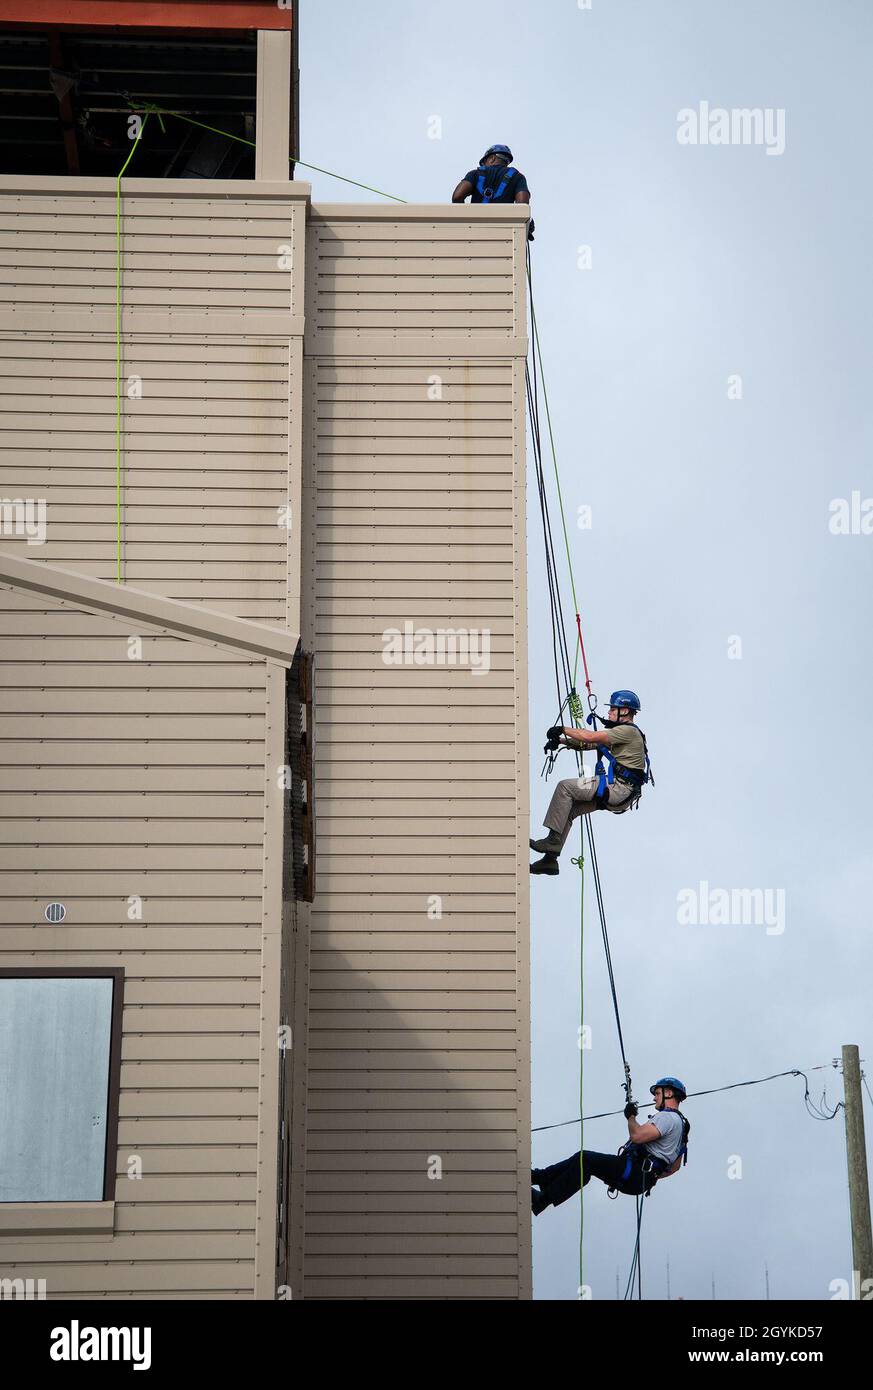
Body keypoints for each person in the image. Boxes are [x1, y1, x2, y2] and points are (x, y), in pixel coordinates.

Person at [530, 689, 652, 875]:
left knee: (565, 788)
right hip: (621, 793)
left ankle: (552, 841)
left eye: (613, 708)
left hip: (617, 788)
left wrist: (562, 728)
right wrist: (561, 741)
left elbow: (590, 737)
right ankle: (550, 860)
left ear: (625, 711)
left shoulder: (627, 731)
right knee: (569, 810)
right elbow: (589, 744)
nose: (610, 712)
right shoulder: (622, 734)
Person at [531, 1078, 690, 1215]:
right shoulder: (682, 1127)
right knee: (584, 1162)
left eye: (657, 1094)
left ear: (668, 1093)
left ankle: (541, 1193)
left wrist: (631, 1116)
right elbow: (674, 1167)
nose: (655, 1098)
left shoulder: (667, 1117)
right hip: (640, 1179)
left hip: (634, 1172)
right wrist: (652, 1175)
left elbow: (637, 1136)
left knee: (585, 1159)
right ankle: (542, 1180)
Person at [452, 144, 534, 238]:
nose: (484, 165)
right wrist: (526, 224)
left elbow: (457, 197)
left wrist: (465, 220)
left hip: (475, 230)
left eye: (484, 162)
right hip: (503, 233)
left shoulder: (475, 174)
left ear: (492, 158)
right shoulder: (517, 177)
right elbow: (523, 205)